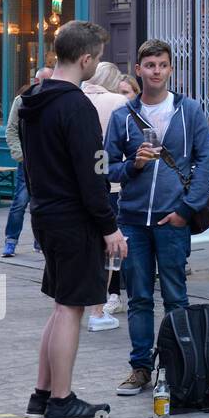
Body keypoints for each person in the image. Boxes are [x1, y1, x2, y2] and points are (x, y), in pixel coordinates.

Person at [18, 20, 127, 418]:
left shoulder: (34, 99)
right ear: (85, 58)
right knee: (71, 308)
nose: (97, 63)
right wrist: (108, 226)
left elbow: (29, 165)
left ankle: (42, 395)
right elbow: (91, 174)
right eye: (97, 57)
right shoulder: (75, 105)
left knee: (61, 305)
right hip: (73, 217)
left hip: (46, 212)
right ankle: (61, 401)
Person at [105, 38, 209, 396]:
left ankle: (174, 365)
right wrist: (133, 165)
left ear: (170, 69)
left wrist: (186, 210)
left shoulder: (190, 111)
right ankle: (140, 368)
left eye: (162, 65)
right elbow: (106, 168)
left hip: (172, 219)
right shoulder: (123, 116)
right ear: (138, 70)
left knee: (175, 296)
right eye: (149, 65)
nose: (155, 71)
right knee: (137, 296)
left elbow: (205, 164)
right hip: (134, 219)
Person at [82, 62, 128, 332]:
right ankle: (105, 302)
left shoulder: (74, 98)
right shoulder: (118, 102)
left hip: (79, 185)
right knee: (112, 244)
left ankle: (88, 302)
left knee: (89, 244)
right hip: (111, 183)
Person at [2, 68, 53, 256]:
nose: (46, 85)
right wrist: (20, 155)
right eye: (43, 81)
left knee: (43, 203)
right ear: (35, 80)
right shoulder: (22, 101)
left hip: (48, 162)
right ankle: (11, 241)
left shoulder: (55, 101)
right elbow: (11, 130)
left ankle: (40, 241)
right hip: (27, 160)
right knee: (20, 201)